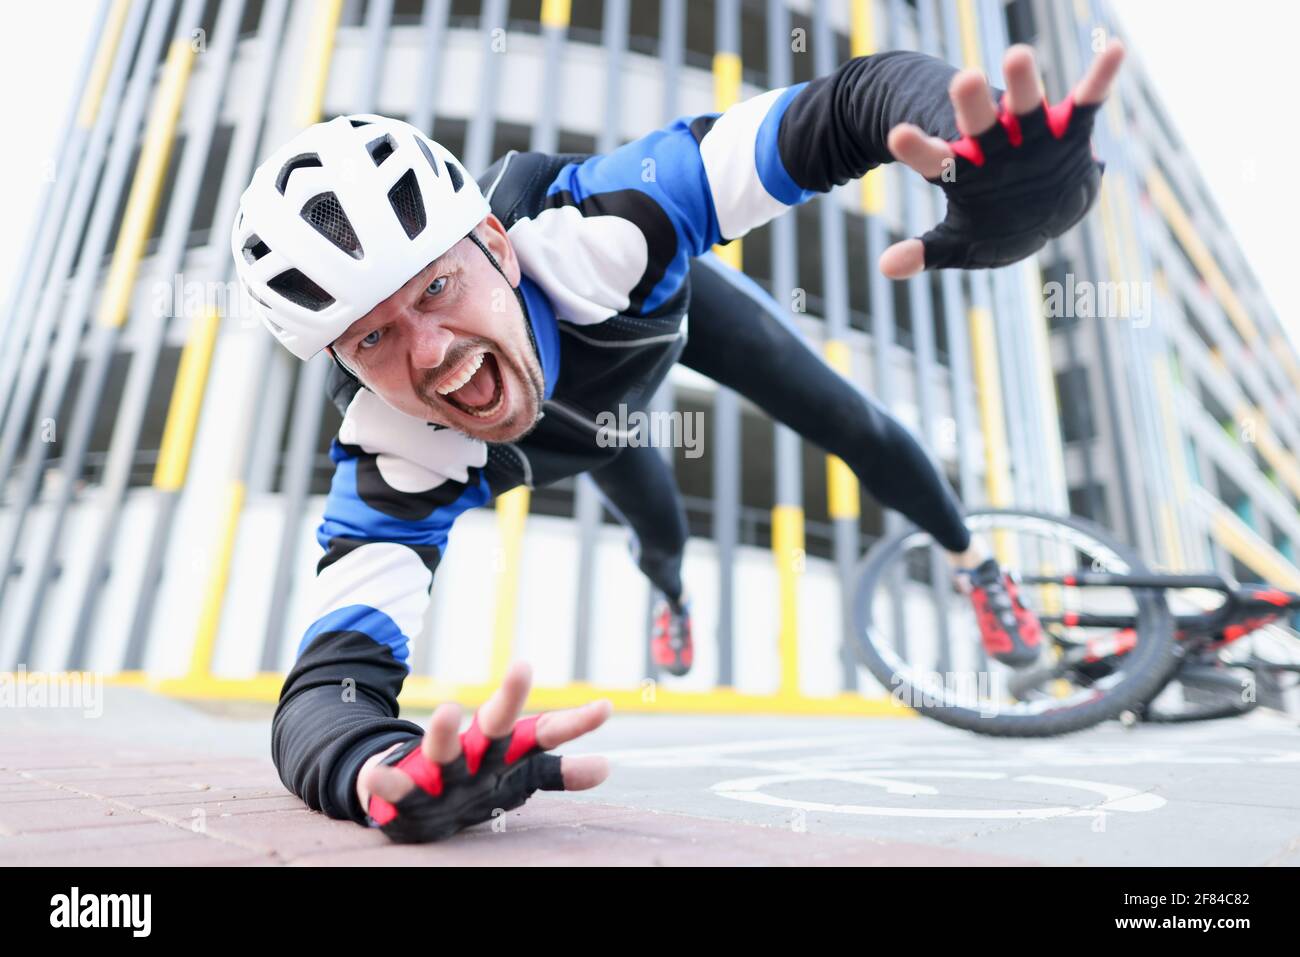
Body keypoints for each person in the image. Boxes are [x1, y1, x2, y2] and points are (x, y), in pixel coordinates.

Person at [231, 40, 1124, 843]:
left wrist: (975, 153)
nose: (433, 356)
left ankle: (977, 566)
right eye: (373, 338)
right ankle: (672, 592)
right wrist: (379, 778)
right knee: (659, 531)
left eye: (434, 289)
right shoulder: (394, 448)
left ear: (497, 245)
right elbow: (327, 693)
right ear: (342, 358)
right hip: (603, 435)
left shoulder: (603, 225)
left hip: (662, 328)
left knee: (848, 419)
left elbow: (842, 109)